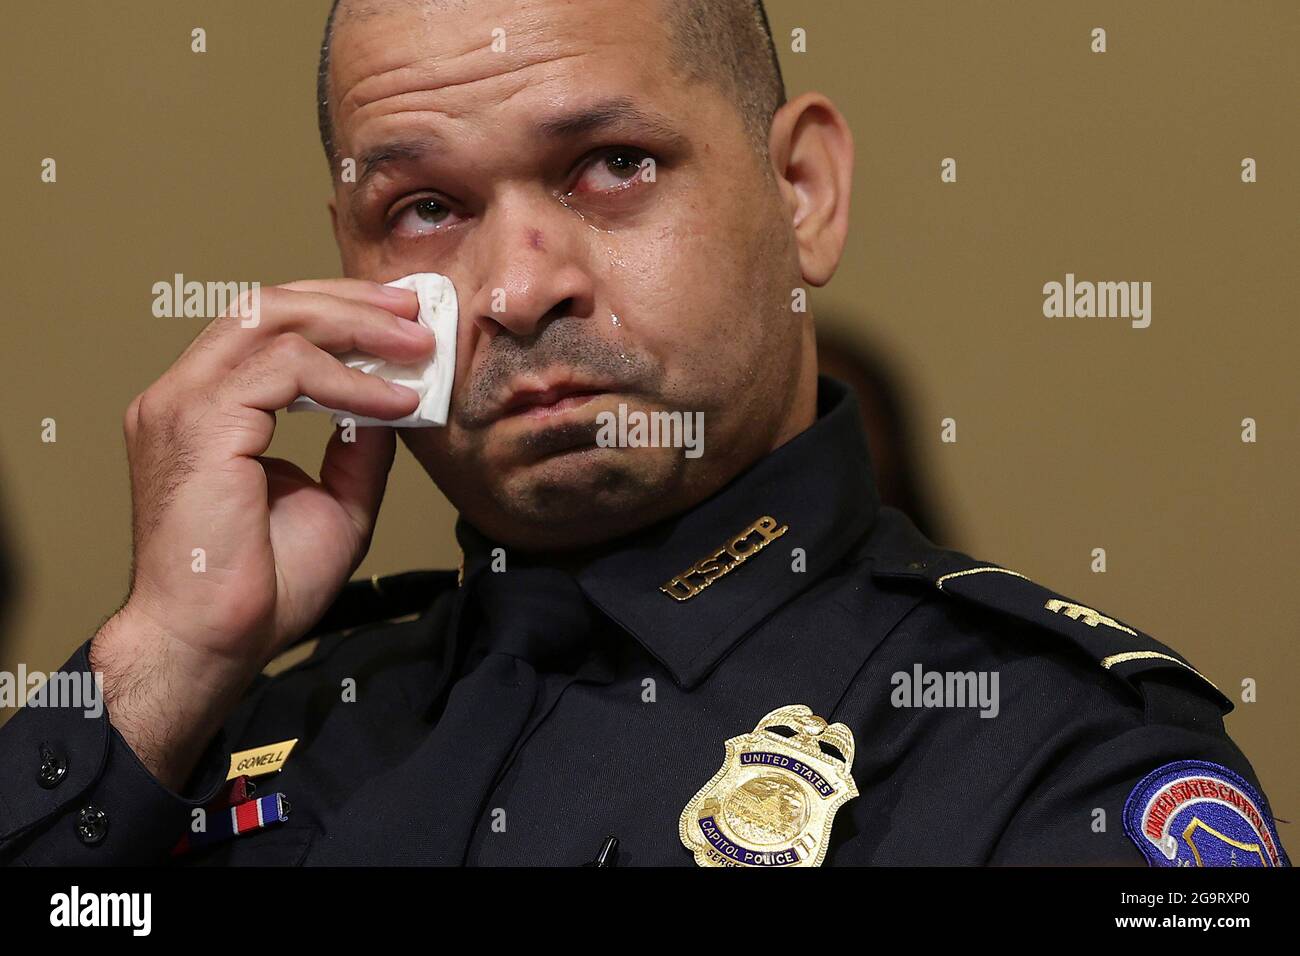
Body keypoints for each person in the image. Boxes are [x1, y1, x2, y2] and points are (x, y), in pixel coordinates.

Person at [0, 0, 1286, 867]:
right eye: (427, 204)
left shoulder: (1051, 752)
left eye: (611, 165)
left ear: (803, 196)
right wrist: (162, 655)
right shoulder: (255, 733)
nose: (516, 285)